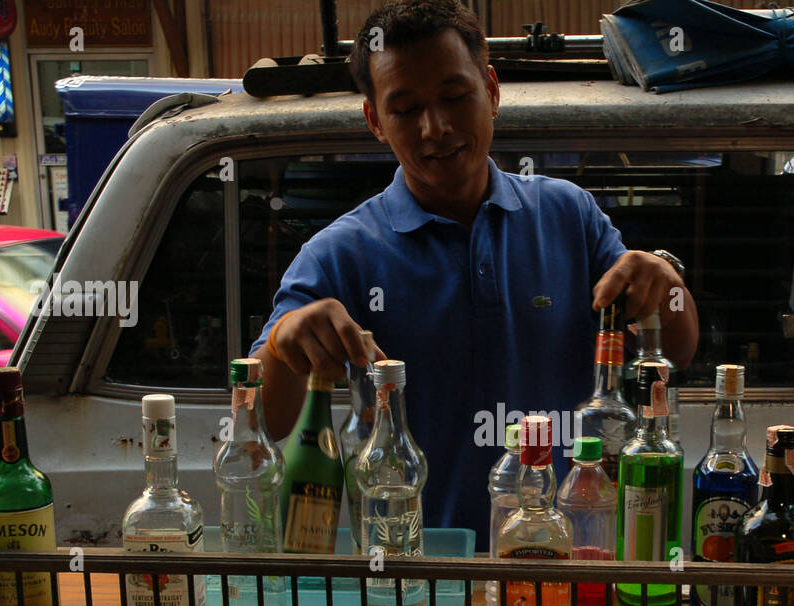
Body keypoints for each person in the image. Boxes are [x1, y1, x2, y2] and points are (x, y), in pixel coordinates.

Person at [251, 0, 698, 548]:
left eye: (455, 97)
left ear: (491, 90)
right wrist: (282, 345)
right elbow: (263, 419)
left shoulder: (570, 217)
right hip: (423, 586)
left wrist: (665, 282)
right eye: (405, 108)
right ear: (374, 121)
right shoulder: (341, 254)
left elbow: (677, 350)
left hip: (571, 566)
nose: (435, 127)